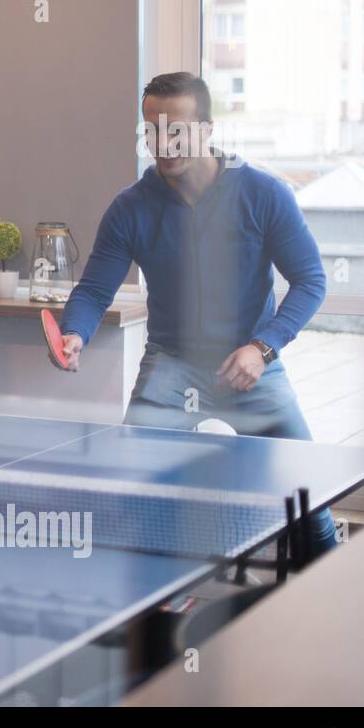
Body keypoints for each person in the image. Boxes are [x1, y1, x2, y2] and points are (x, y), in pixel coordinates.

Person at [57, 71, 335, 552]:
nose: (163, 142)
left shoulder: (265, 196)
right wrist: (75, 332)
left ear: (207, 130)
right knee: (139, 497)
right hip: (172, 365)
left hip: (251, 365)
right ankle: (158, 610)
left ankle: (333, 596)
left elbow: (311, 281)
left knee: (310, 501)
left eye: (177, 129)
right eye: (153, 130)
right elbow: (93, 290)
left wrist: (262, 347)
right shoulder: (130, 208)